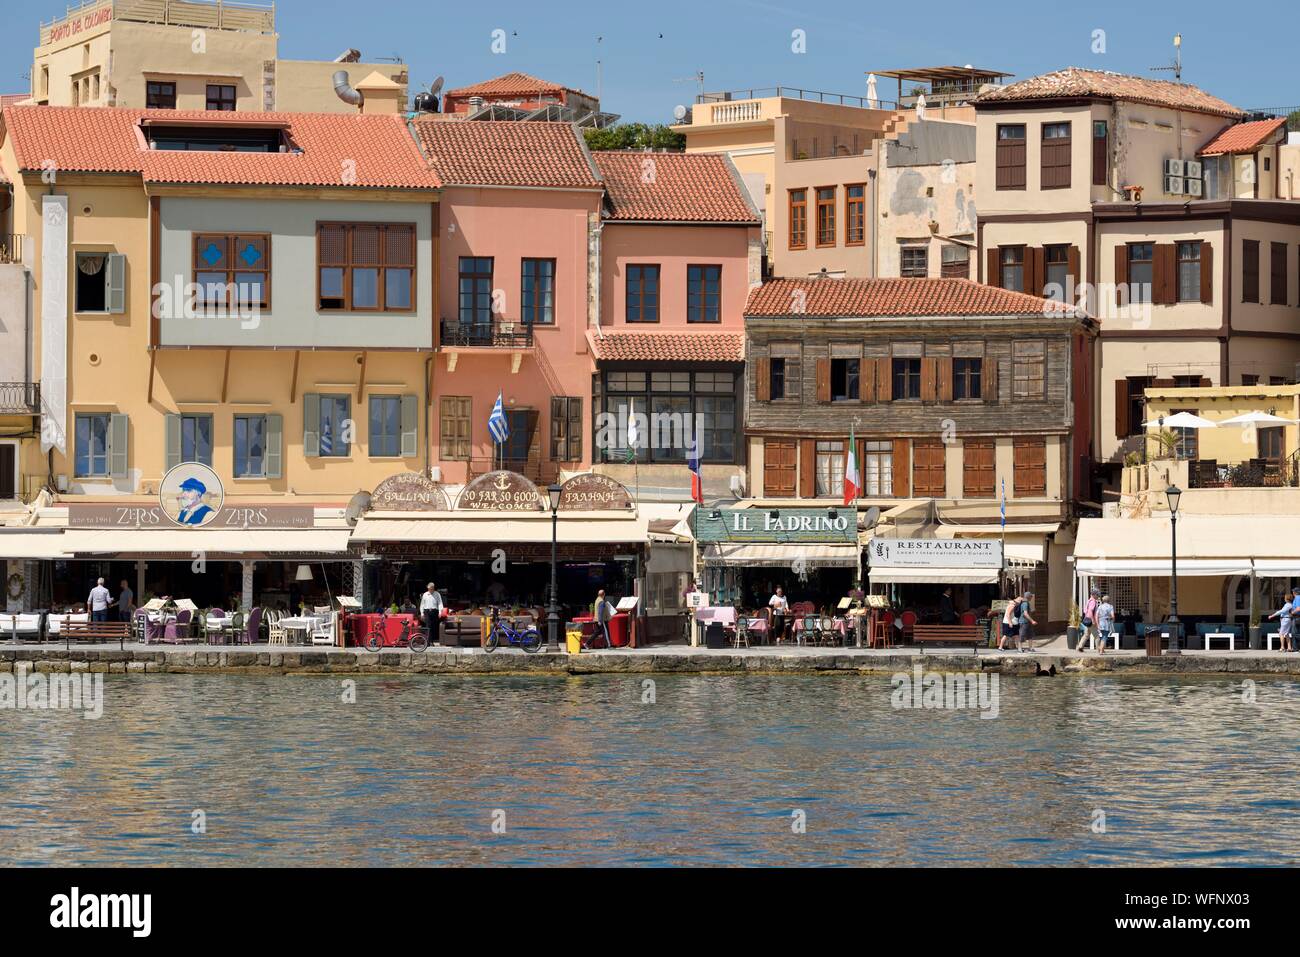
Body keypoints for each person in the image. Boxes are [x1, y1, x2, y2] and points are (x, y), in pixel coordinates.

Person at [420, 582, 444, 646]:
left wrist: (440, 612)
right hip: (427, 611)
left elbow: (440, 603)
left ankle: (433, 640)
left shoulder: (437, 594)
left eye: (431, 589)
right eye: (429, 589)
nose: (430, 590)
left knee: (433, 626)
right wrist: (422, 613)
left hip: (434, 611)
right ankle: (428, 642)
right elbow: (422, 604)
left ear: (433, 588)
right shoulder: (425, 594)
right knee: (428, 626)